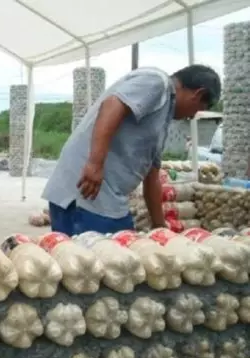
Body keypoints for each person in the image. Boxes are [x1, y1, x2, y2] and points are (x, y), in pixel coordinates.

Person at [42, 65, 221, 236]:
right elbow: (112, 104)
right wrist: (95, 163)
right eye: (199, 109)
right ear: (198, 94)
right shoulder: (157, 82)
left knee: (122, 256)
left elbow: (152, 176)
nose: (191, 116)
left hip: (110, 199)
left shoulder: (164, 117)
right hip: (86, 194)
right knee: (94, 261)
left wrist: (160, 227)